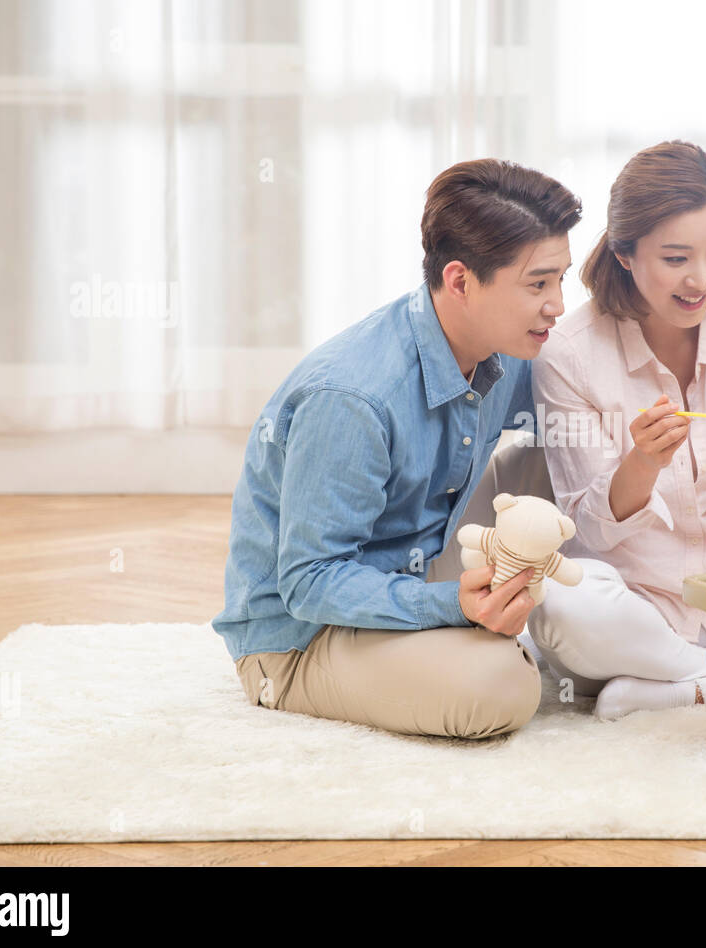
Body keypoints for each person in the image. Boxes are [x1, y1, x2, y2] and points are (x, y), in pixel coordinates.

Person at [212, 159, 581, 739]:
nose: (557, 304)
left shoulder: (502, 348)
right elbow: (309, 581)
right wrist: (451, 606)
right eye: (537, 283)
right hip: (299, 641)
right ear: (460, 281)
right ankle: (484, 646)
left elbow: (585, 408)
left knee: (556, 452)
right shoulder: (353, 397)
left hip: (413, 580)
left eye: (562, 279)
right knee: (498, 689)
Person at [528, 140, 706, 720]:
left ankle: (671, 689)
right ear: (625, 254)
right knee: (561, 602)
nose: (702, 279)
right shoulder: (569, 354)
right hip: (628, 612)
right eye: (676, 259)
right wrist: (643, 462)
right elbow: (587, 529)